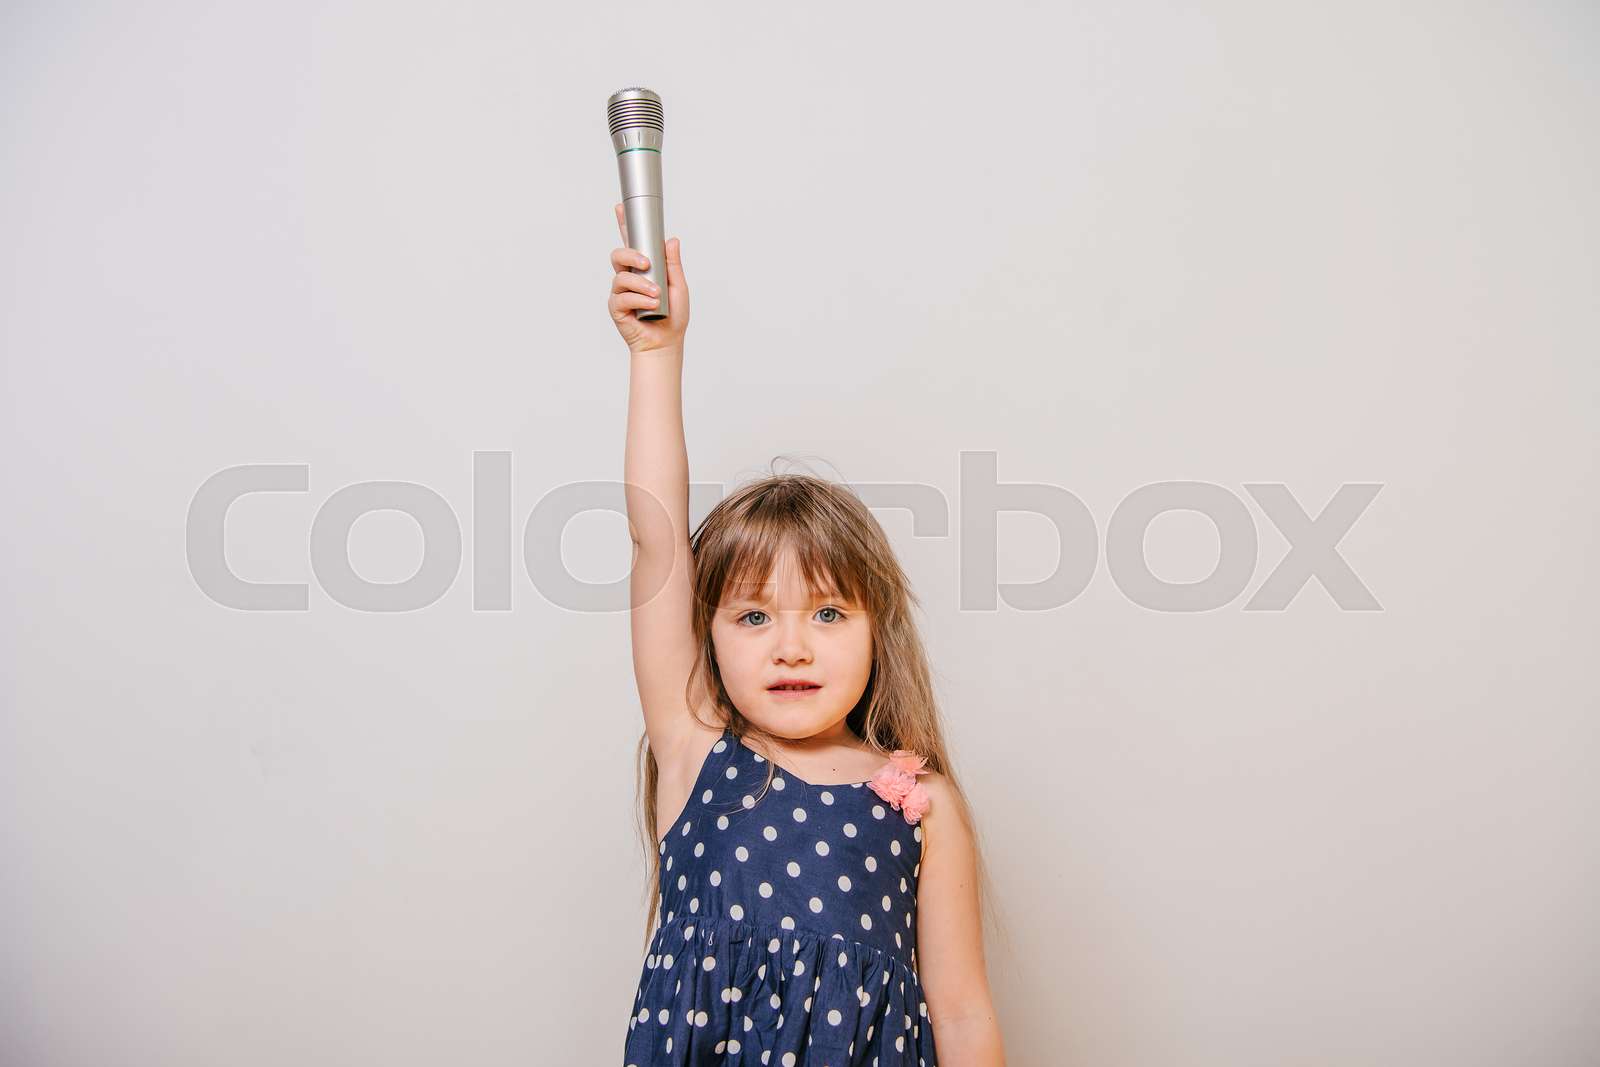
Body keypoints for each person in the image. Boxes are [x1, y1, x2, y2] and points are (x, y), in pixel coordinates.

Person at [607, 204, 1006, 1066]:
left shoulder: (921, 803)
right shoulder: (696, 752)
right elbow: (654, 536)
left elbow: (965, 1014)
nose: (793, 646)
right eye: (754, 616)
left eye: (828, 613)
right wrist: (656, 354)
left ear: (877, 632)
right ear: (706, 638)